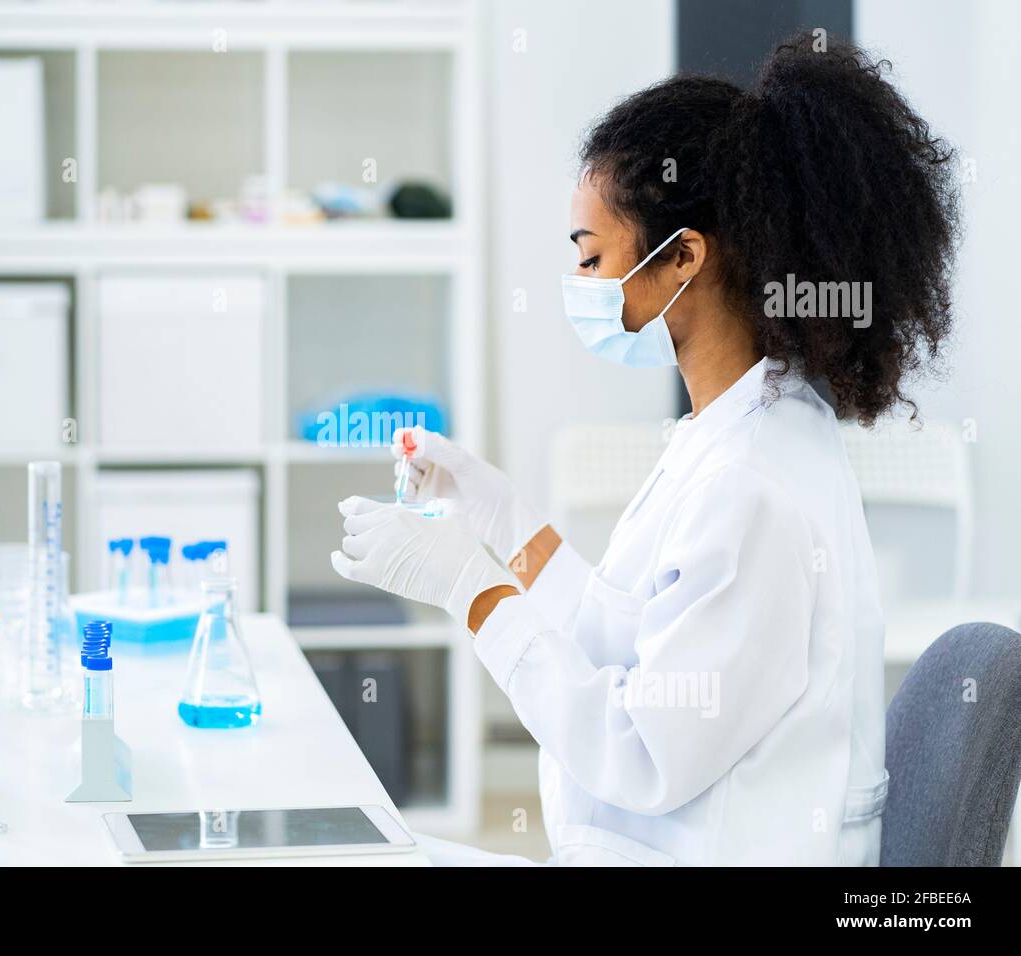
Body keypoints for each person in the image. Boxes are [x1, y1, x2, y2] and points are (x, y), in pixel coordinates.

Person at [331, 33, 959, 866]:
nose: (581, 287)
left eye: (594, 259)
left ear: (683, 259)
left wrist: (469, 589)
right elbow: (624, 636)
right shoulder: (737, 426)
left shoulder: (753, 484)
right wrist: (497, 515)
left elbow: (641, 751)